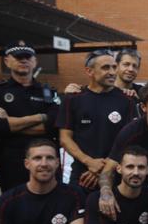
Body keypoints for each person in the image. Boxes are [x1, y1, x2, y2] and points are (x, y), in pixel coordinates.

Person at [0, 40, 61, 192]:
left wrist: (11, 123)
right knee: (14, 203)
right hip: (10, 160)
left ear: (35, 61)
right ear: (7, 61)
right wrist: (40, 117)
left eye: (28, 57)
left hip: (43, 160)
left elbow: (53, 126)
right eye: (18, 57)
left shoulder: (48, 92)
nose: (24, 60)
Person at [57, 50, 137, 189]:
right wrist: (89, 162)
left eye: (114, 67)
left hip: (116, 176)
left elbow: (130, 140)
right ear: (89, 71)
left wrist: (104, 169)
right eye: (106, 67)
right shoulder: (73, 99)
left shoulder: (127, 100)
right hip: (83, 176)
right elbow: (65, 139)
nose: (112, 72)